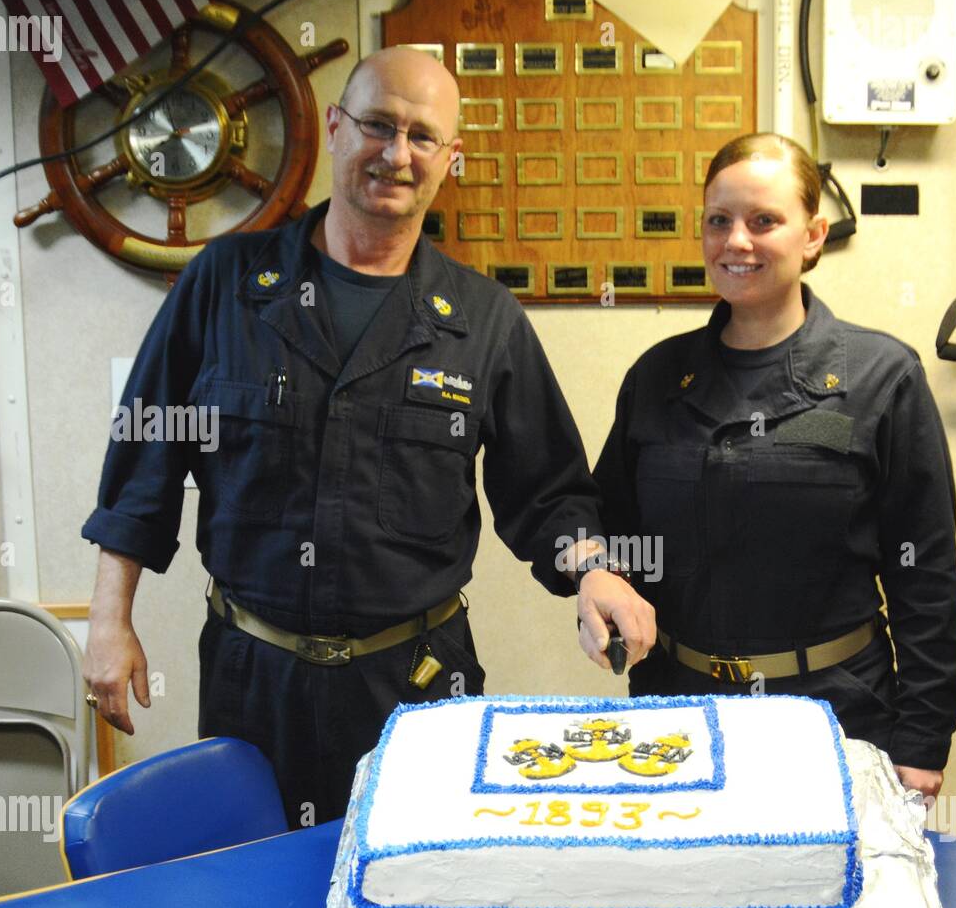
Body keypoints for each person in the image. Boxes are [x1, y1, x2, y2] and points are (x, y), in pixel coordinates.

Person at [81, 48, 654, 828]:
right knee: (256, 896)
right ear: (336, 127)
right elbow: (146, 454)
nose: (397, 154)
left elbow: (548, 489)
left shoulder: (482, 320)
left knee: (418, 902)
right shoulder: (225, 282)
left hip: (416, 684)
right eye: (379, 125)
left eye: (423, 137)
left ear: (450, 160)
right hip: (255, 677)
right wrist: (110, 622)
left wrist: (595, 574)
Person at [592, 133, 956, 799]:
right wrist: (597, 576)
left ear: (813, 236)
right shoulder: (656, 378)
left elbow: (926, 575)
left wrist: (922, 741)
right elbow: (607, 528)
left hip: (832, 720)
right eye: (719, 221)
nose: (737, 241)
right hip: (676, 717)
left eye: (764, 221)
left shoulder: (881, 378)